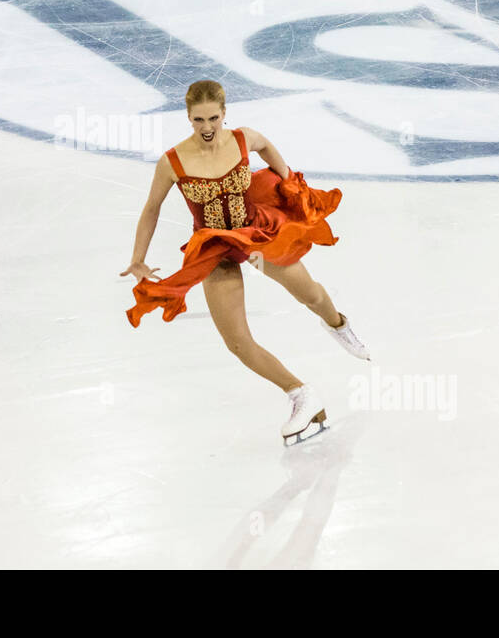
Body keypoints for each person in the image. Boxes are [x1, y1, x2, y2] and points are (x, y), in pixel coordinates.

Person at [120, 79, 369, 443]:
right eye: (198, 120)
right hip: (215, 250)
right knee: (237, 342)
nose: (207, 128)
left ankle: (337, 324)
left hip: (255, 236)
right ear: (188, 117)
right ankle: (301, 394)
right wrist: (138, 258)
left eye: (213, 118)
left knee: (309, 293)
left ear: (224, 114)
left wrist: (289, 182)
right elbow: (151, 209)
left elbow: (266, 146)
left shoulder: (242, 138)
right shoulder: (173, 162)